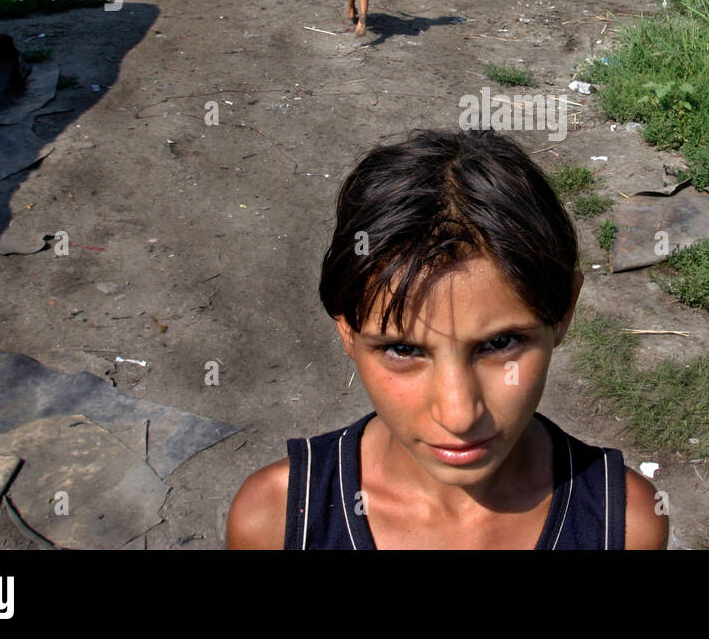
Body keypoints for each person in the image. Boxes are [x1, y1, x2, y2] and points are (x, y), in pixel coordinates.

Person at [226, 129, 669, 550]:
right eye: (403, 349)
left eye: (499, 345)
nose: (458, 416)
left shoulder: (623, 525)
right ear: (346, 331)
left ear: (564, 313)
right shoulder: (278, 521)